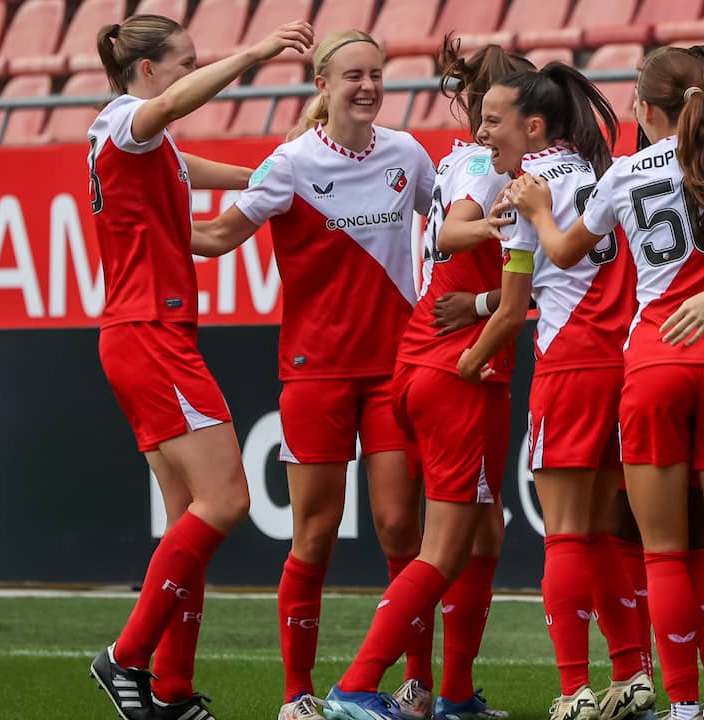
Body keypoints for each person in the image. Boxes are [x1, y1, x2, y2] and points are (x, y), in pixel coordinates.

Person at [508, 46, 704, 720]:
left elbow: (563, 252)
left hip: (654, 360)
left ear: (643, 109)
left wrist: (539, 210)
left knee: (661, 552)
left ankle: (685, 706)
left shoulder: (623, 173)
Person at [189, 29, 438, 720]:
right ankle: (296, 694)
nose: (368, 86)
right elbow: (216, 237)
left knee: (400, 528)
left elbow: (452, 224)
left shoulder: (408, 154)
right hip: (315, 374)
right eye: (353, 75)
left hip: (393, 370)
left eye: (376, 74)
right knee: (316, 535)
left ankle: (418, 685)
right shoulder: (290, 163)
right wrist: (139, 223)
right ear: (322, 85)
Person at [86, 13, 312, 720]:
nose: (191, 72)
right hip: (150, 335)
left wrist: (284, 172)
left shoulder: (148, 146)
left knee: (189, 516)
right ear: (147, 70)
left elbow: (204, 197)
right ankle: (125, 657)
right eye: (184, 62)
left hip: (141, 334)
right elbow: (175, 107)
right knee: (228, 501)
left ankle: (173, 689)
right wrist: (257, 51)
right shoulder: (126, 121)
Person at [314, 39, 531, 720]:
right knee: (444, 548)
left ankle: (457, 695)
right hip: (458, 366)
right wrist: (491, 231)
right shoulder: (486, 166)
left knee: (485, 532)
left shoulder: (459, 157)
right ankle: (355, 686)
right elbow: (453, 234)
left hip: (431, 356)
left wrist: (486, 295)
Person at [464, 63, 656, 720]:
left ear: (534, 127)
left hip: (569, 368)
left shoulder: (525, 193)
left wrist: (468, 361)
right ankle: (631, 674)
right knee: (599, 533)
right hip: (622, 365)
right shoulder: (601, 175)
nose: (482, 132)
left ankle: (574, 690)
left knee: (565, 536)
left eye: (493, 120)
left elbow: (512, 308)